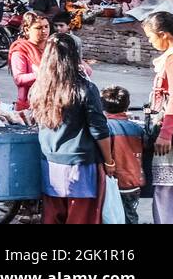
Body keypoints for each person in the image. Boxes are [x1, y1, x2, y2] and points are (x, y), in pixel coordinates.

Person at [31, 32, 113, 224]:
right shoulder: (85, 88)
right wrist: (109, 161)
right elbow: (99, 130)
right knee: (80, 218)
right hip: (80, 165)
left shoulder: (40, 87)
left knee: (52, 217)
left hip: (50, 163)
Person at [143, 11, 173, 224]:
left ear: (163, 34)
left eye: (151, 37)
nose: (151, 42)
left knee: (168, 189)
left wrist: (165, 134)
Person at [101, 85, 143, 225]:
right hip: (132, 182)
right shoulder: (137, 128)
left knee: (110, 216)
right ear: (127, 105)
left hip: (111, 182)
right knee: (130, 216)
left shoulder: (104, 128)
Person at [8, 12, 49, 111]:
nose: (44, 31)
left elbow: (87, 70)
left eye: (46, 26)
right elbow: (19, 79)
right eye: (39, 28)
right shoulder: (20, 50)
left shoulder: (53, 47)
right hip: (28, 107)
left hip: (52, 104)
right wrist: (44, 74)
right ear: (27, 29)